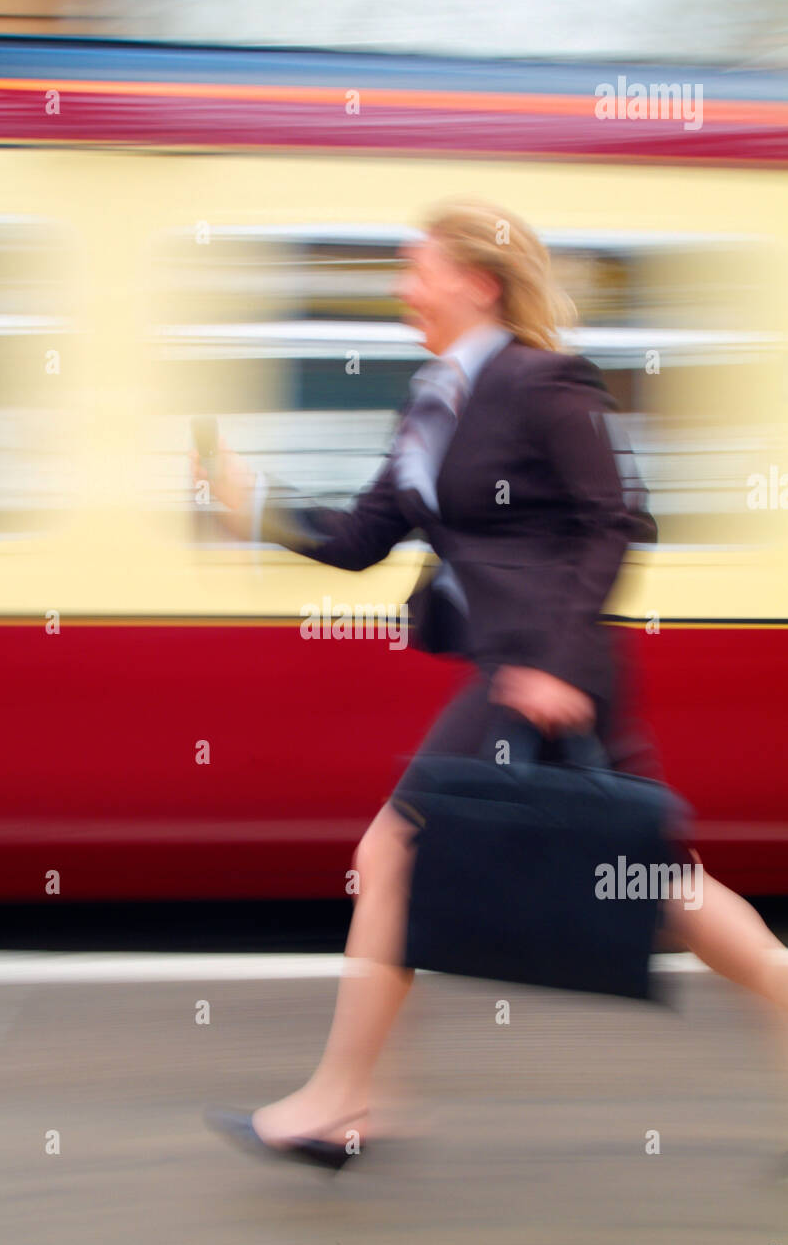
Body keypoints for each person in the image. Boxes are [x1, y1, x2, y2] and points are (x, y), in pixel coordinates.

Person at [197, 199, 788, 1170]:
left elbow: (615, 520)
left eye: (413, 267)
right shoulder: (431, 400)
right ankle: (347, 1100)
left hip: (551, 669)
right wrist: (251, 505)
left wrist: (552, 658)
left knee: (393, 848)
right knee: (661, 881)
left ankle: (343, 1102)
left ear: (477, 282)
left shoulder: (542, 382)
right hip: (510, 671)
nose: (400, 286)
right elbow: (359, 541)